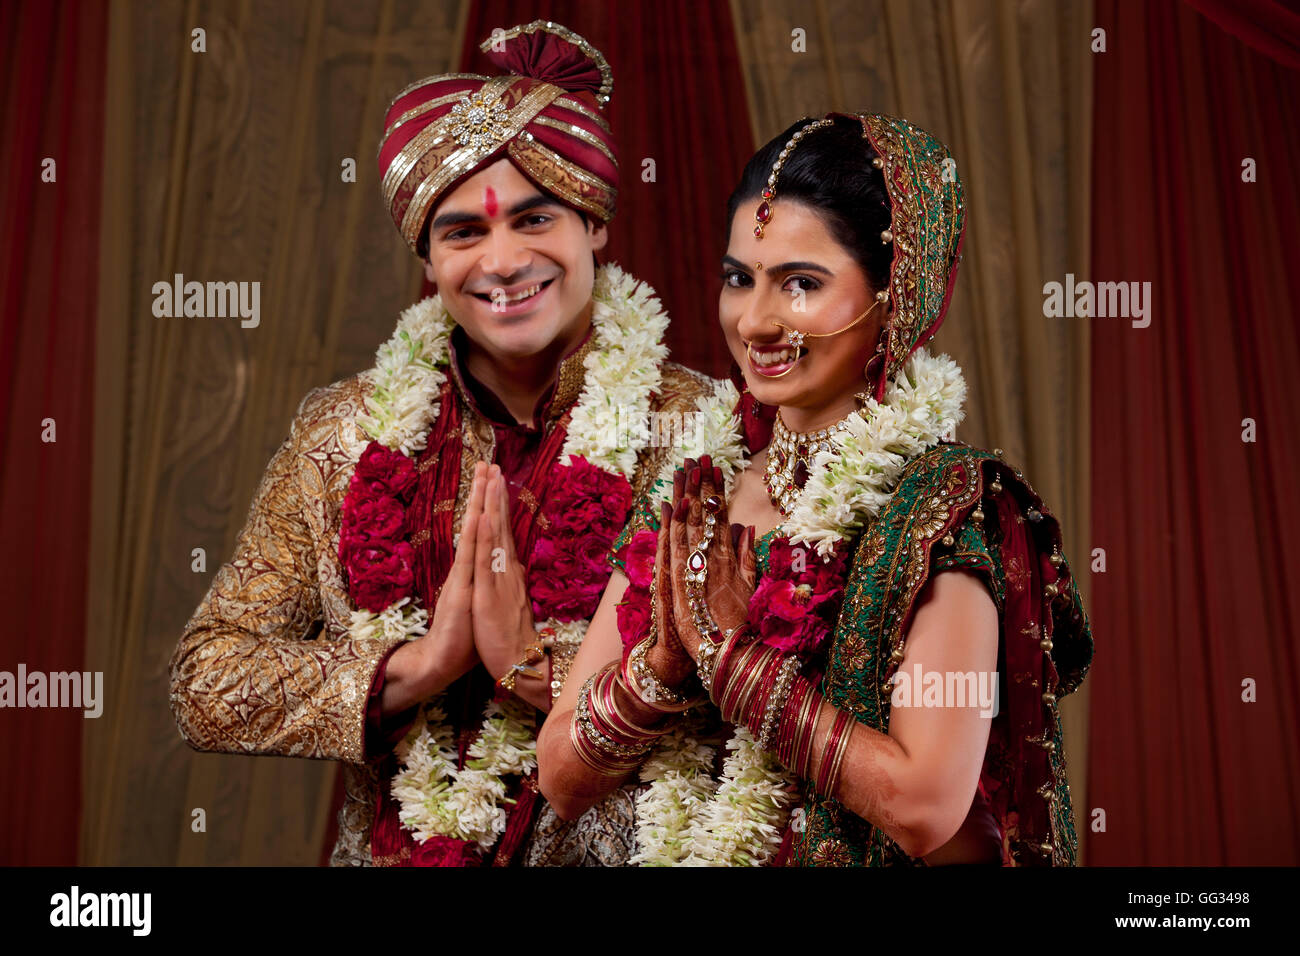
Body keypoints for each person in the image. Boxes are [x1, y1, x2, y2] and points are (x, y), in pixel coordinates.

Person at [168, 20, 720, 867]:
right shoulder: (344, 436)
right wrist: (415, 670)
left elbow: (739, 693)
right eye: (463, 232)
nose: (503, 261)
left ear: (595, 225)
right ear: (427, 255)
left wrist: (532, 666)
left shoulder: (701, 435)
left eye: (535, 218)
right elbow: (206, 683)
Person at [537, 112, 1094, 866]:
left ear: (897, 294)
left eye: (801, 284)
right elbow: (560, 779)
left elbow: (927, 804)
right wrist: (660, 670)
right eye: (740, 279)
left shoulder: (947, 511)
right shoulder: (698, 489)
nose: (756, 321)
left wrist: (733, 665)